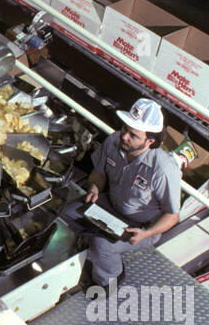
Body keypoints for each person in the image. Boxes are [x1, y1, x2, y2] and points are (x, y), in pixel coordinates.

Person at [72, 97, 181, 288]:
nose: (124, 136)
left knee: (102, 246)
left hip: (140, 225)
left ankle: (109, 281)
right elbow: (99, 173)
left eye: (133, 135)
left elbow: (172, 216)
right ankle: (82, 252)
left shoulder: (163, 170)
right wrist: (95, 187)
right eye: (124, 129)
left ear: (150, 141)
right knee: (66, 212)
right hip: (109, 205)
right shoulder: (114, 141)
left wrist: (147, 233)